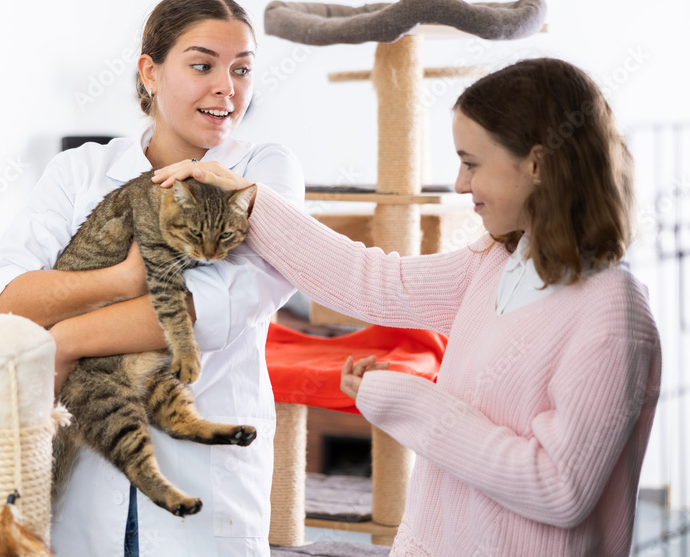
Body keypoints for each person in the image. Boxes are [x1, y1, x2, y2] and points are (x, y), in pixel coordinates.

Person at [153, 57, 662, 557]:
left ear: (536, 164)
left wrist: (407, 401)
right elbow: (372, 282)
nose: (460, 185)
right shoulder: (497, 261)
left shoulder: (613, 315)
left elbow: (558, 490)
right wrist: (251, 198)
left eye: (471, 163)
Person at [0, 0, 304, 557]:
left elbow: (210, 308)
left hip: (201, 488)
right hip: (80, 490)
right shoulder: (80, 170)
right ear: (149, 72)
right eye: (203, 65)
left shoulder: (263, 170)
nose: (228, 87)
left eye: (242, 70)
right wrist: (120, 281)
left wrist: (65, 336)